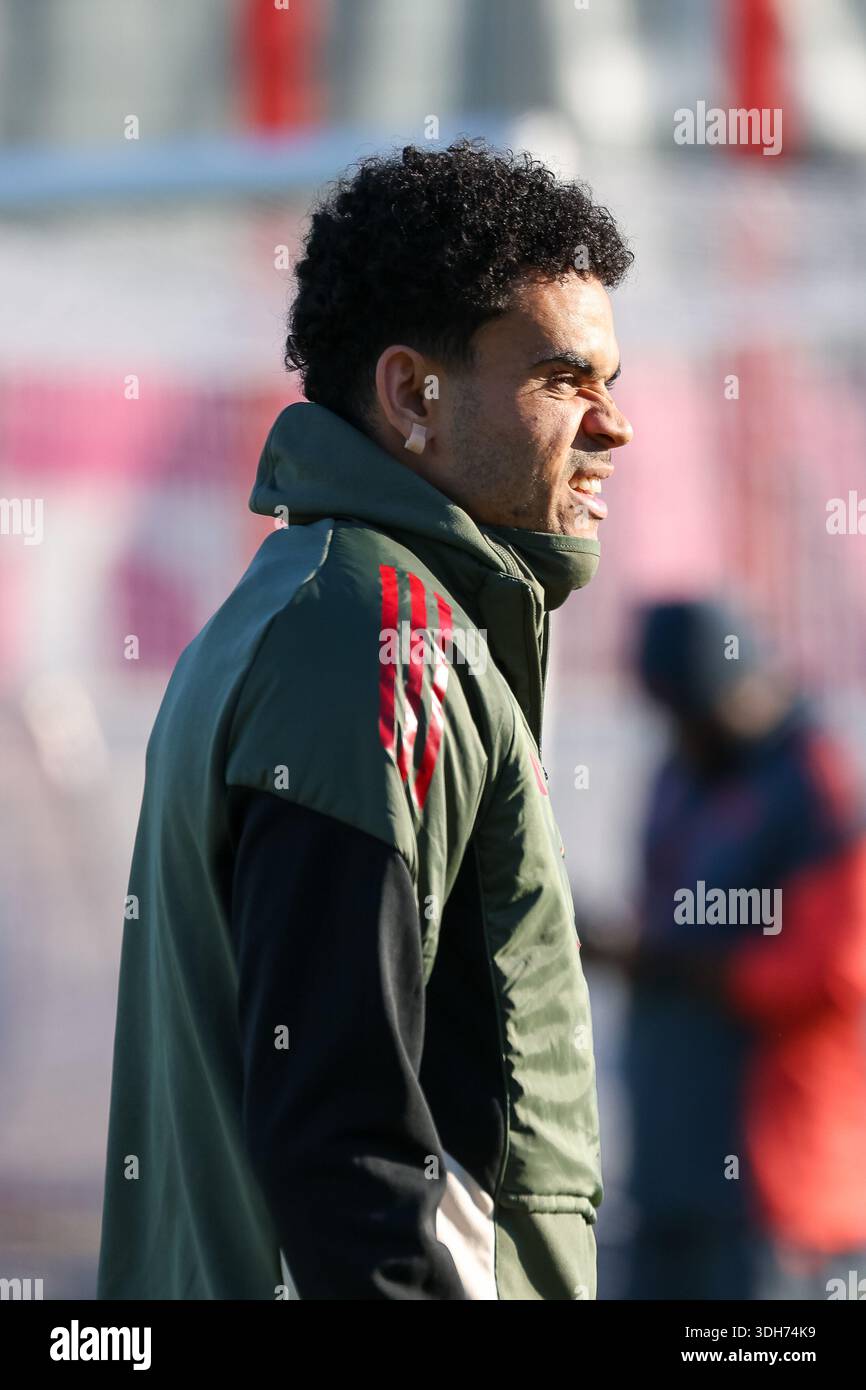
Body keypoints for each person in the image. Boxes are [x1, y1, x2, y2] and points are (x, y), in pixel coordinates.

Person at [96, 138, 635, 1300]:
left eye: (612, 380)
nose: (611, 425)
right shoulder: (374, 634)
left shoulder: (312, 603)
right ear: (410, 396)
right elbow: (346, 1140)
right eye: (561, 377)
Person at [581, 599, 866, 1300]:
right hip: (668, 1172)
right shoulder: (680, 773)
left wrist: (668, 964)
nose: (680, 731)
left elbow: (833, 971)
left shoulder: (810, 782)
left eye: (693, 711)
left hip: (772, 1190)